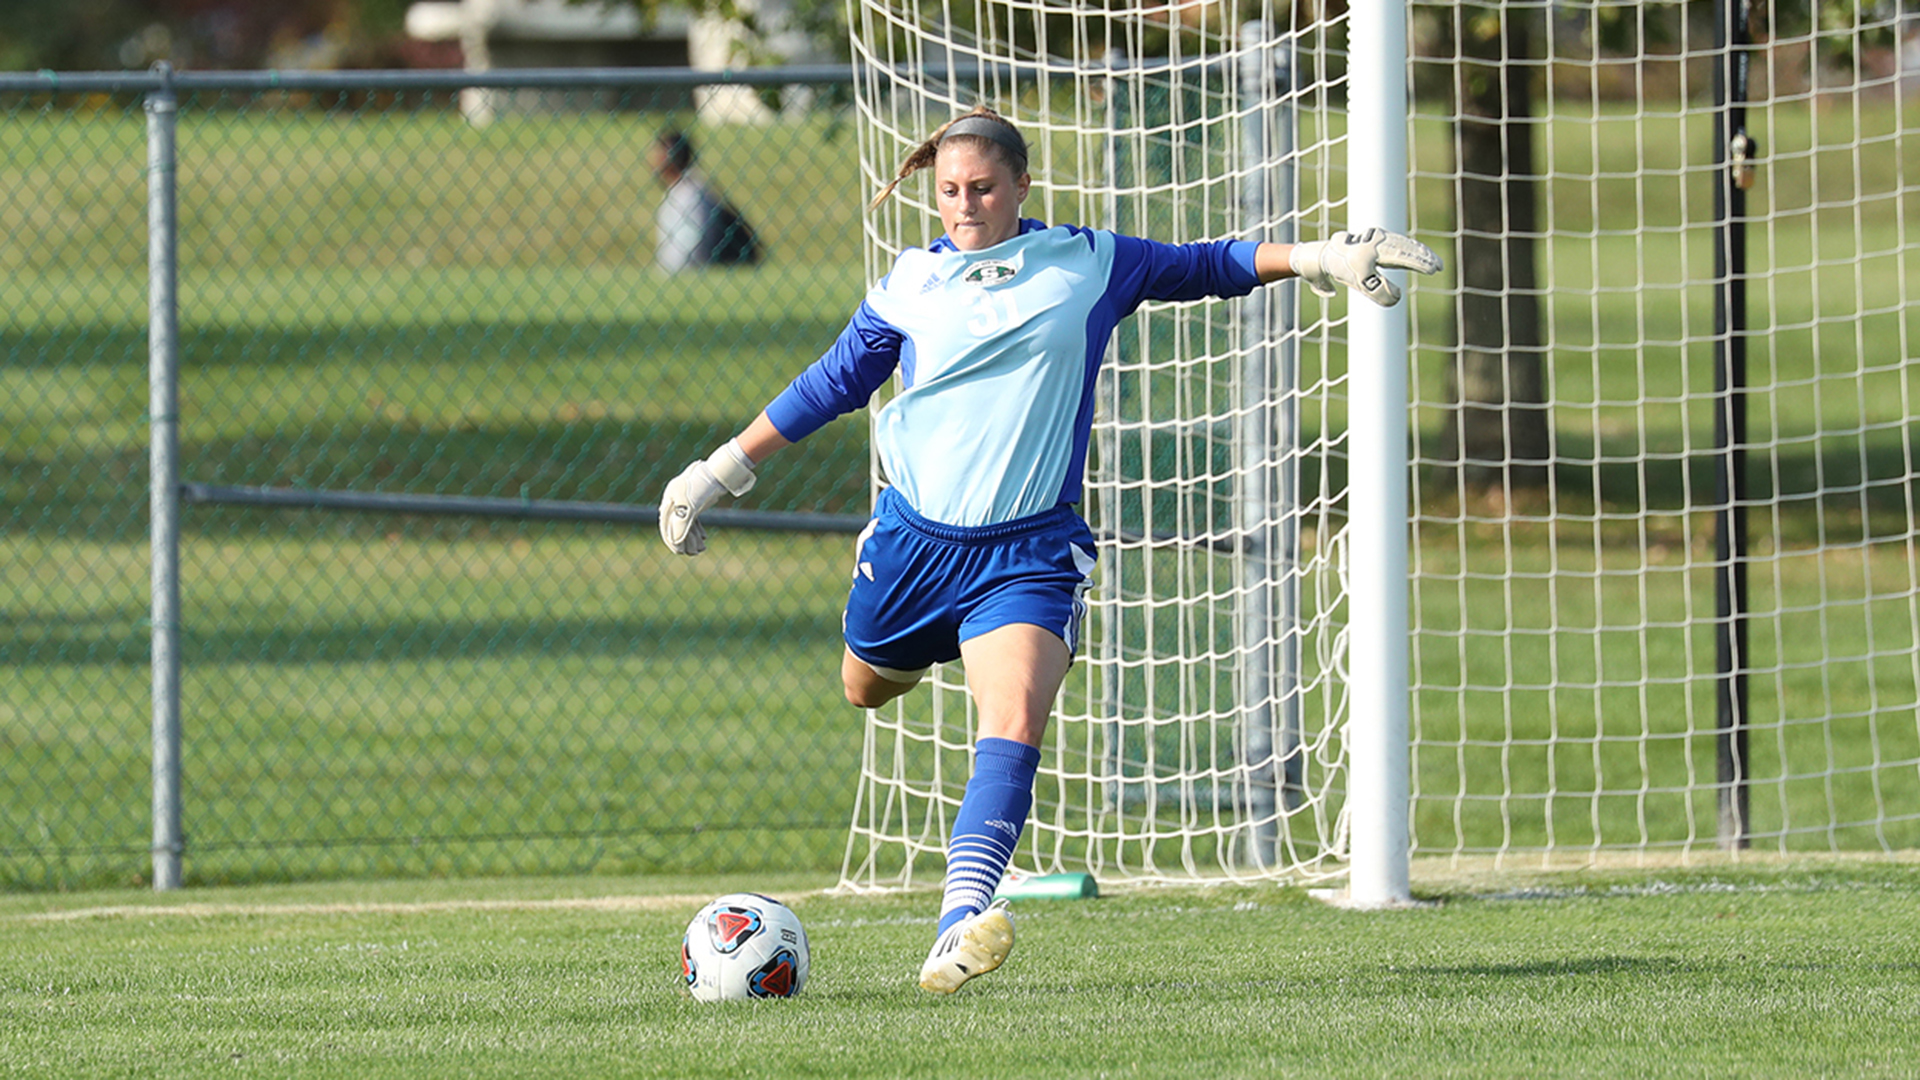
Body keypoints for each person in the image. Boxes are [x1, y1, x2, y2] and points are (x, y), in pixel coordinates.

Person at [658, 106, 1440, 993]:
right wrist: (714, 473)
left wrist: (1320, 257)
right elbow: (832, 383)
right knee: (864, 687)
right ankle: (924, 652)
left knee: (1015, 720)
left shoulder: (1086, 263)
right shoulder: (911, 283)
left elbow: (1208, 264)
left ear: (1022, 186)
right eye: (950, 190)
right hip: (914, 544)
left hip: (1029, 552)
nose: (965, 205)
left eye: (983, 188)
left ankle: (958, 923)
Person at [647, 128, 760, 271]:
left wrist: (672, 270)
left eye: (659, 152)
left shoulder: (691, 194)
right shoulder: (677, 191)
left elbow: (692, 248)